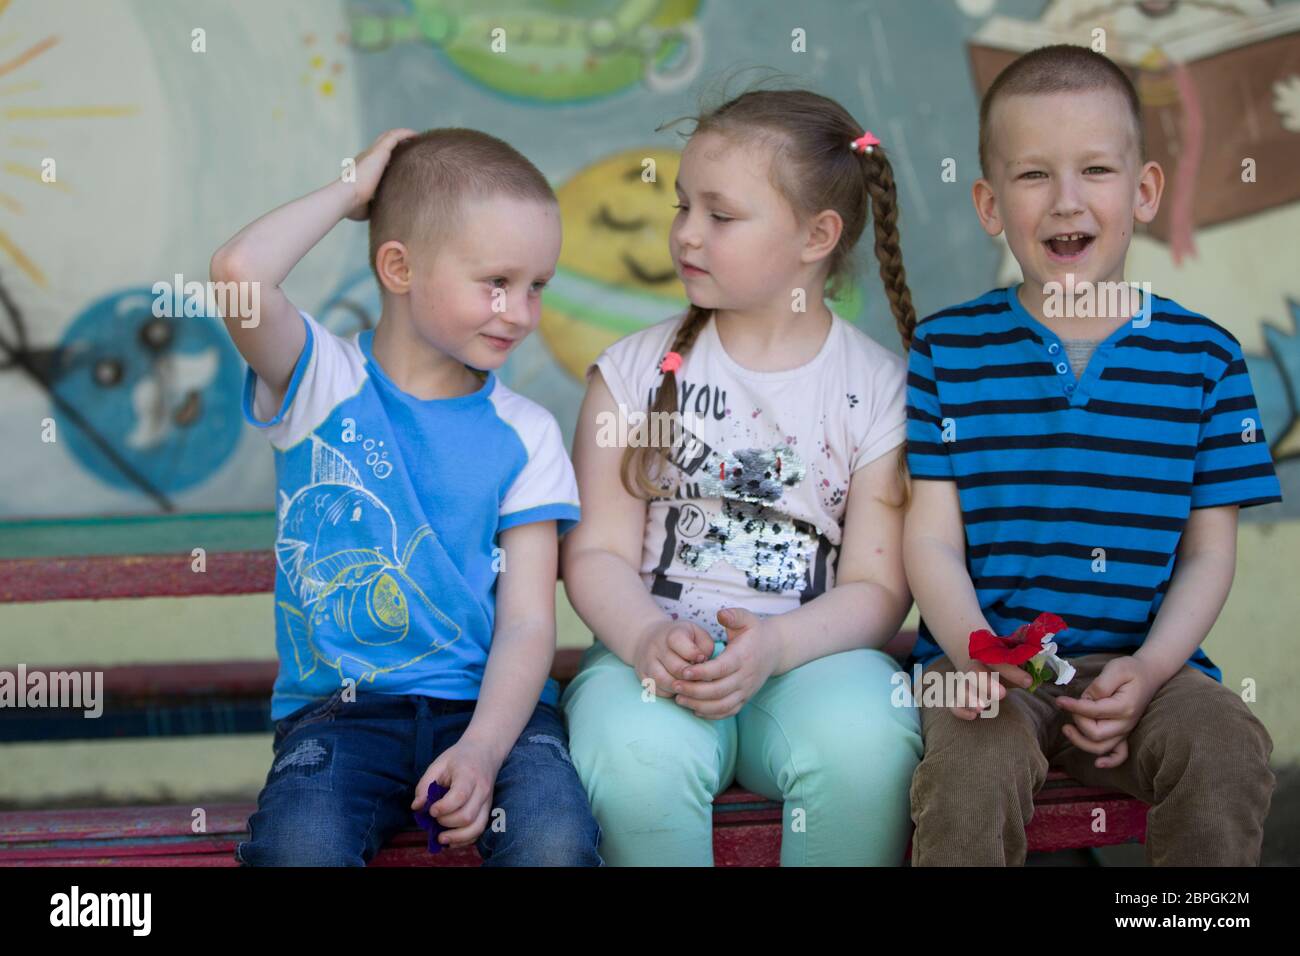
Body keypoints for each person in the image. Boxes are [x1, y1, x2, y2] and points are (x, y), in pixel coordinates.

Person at [212, 127, 600, 866]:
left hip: (498, 716)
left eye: (536, 286)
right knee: (300, 852)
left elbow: (525, 627)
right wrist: (353, 191)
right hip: (339, 722)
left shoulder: (527, 433)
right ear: (399, 267)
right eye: (496, 282)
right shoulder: (319, 384)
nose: (521, 312)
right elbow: (237, 271)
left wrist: (483, 753)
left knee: (554, 843)